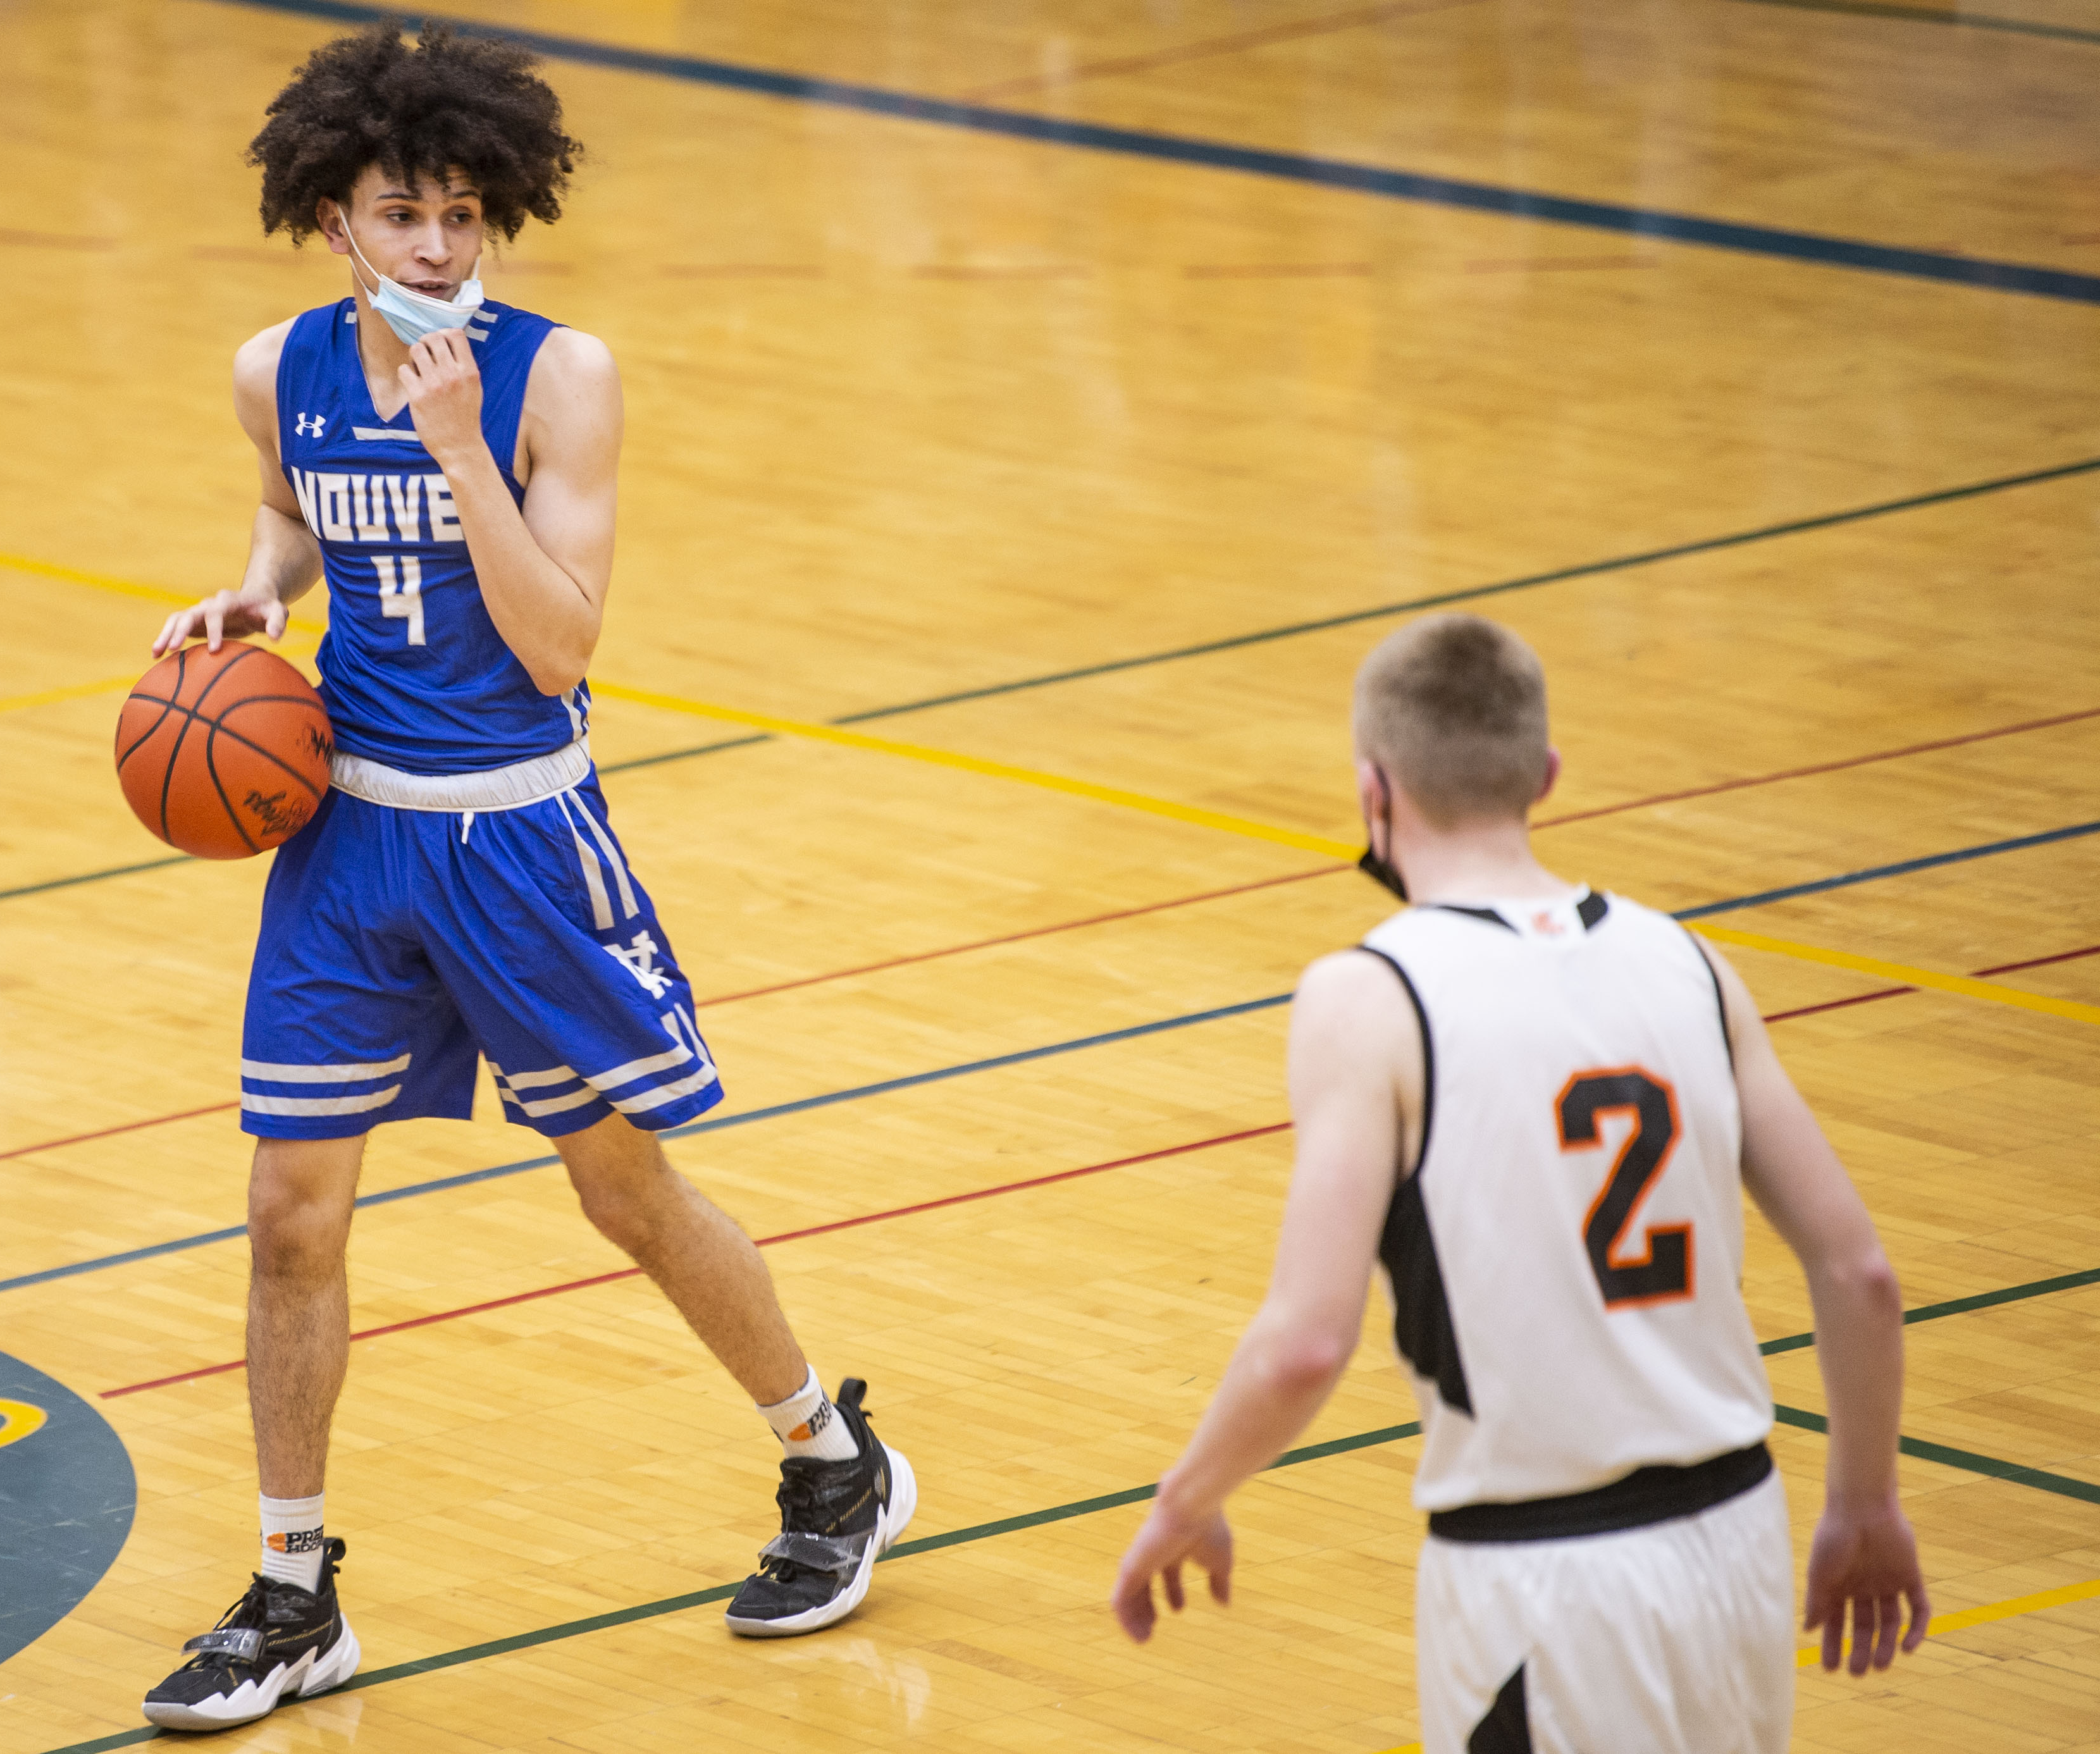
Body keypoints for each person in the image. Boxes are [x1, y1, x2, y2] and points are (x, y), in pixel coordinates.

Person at [137, 25, 913, 1732]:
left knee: (622, 1192)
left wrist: (461, 451)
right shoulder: (276, 367)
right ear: (331, 217)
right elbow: (291, 513)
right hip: (349, 838)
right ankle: (292, 1590)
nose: (436, 247)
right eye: (401, 214)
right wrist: (260, 590)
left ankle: (829, 1455)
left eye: (463, 215)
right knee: (287, 1217)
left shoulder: (561, 379)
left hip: (515, 840)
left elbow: (561, 646)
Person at [1109, 614, 1927, 1752]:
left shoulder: (1369, 996)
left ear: (1372, 790)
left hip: (1544, 1584)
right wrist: (1866, 1501)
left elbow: (1306, 1343)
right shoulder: (1689, 962)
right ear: (1544, 775)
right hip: (1740, 1540)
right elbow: (1859, 1270)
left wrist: (1184, 1499)